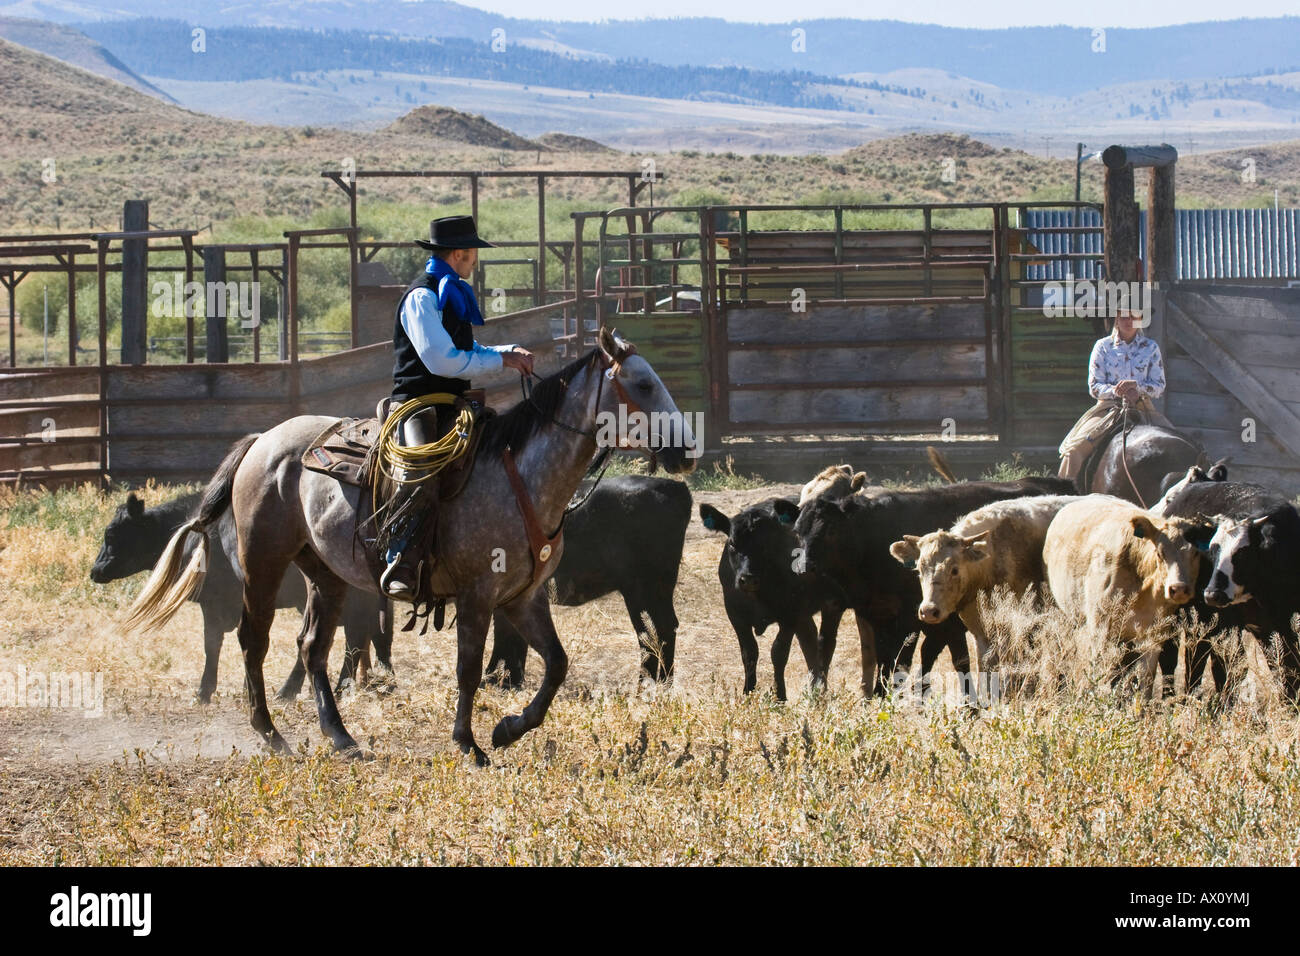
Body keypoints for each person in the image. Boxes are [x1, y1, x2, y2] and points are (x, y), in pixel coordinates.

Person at [380, 215, 535, 599]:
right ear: (459, 253)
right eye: (472, 254)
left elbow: (465, 352)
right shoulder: (422, 297)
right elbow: (441, 361)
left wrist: (505, 352)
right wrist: (498, 363)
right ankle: (402, 559)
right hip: (416, 403)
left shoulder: (451, 292)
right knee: (422, 477)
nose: (474, 262)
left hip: (453, 403)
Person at [1057, 299, 1172, 482]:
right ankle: (1064, 494)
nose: (1129, 321)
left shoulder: (1151, 348)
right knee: (1074, 451)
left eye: (1134, 317)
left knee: (1175, 445)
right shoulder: (1103, 347)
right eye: (1124, 316)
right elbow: (1094, 387)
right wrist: (1117, 391)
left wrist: (1138, 388)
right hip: (1108, 408)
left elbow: (1159, 385)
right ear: (1117, 319)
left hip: (1142, 404)